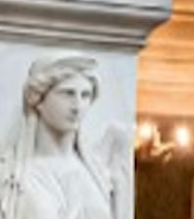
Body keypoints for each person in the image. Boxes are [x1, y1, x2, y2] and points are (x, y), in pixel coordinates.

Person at [0, 56, 128, 219]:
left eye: (86, 95)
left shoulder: (99, 172)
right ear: (37, 100)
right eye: (68, 93)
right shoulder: (11, 174)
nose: (78, 106)